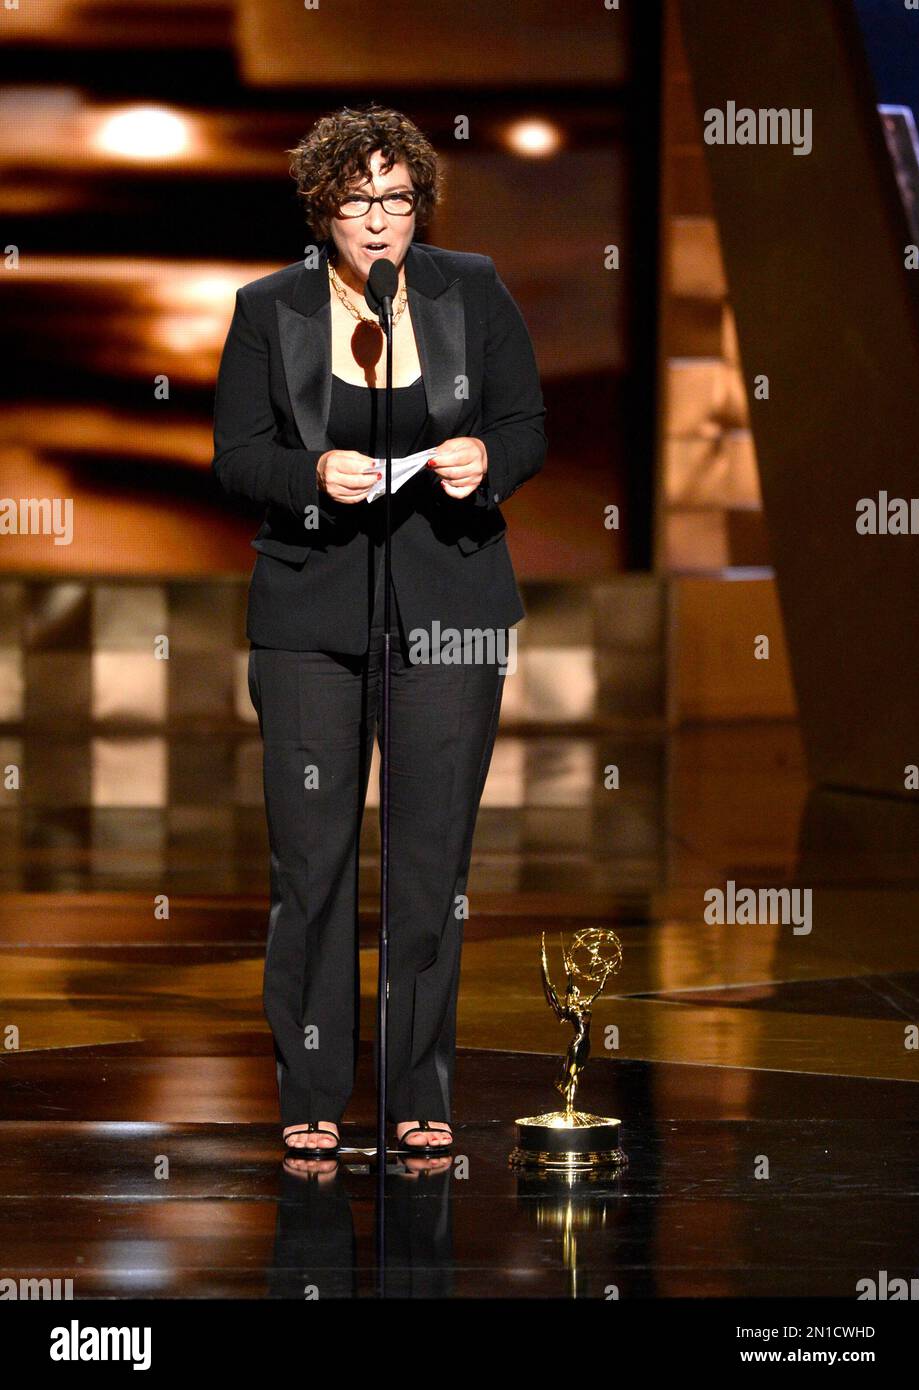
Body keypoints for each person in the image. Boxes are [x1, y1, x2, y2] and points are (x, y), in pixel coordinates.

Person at [211, 102, 546, 1159]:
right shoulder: (270, 308)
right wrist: (309, 474)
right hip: (311, 612)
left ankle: (419, 1088)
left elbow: (524, 423)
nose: (379, 221)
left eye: (397, 200)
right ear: (321, 207)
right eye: (358, 201)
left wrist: (485, 460)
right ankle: (311, 1086)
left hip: (450, 608)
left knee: (428, 865)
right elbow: (237, 453)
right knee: (310, 865)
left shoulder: (470, 289)